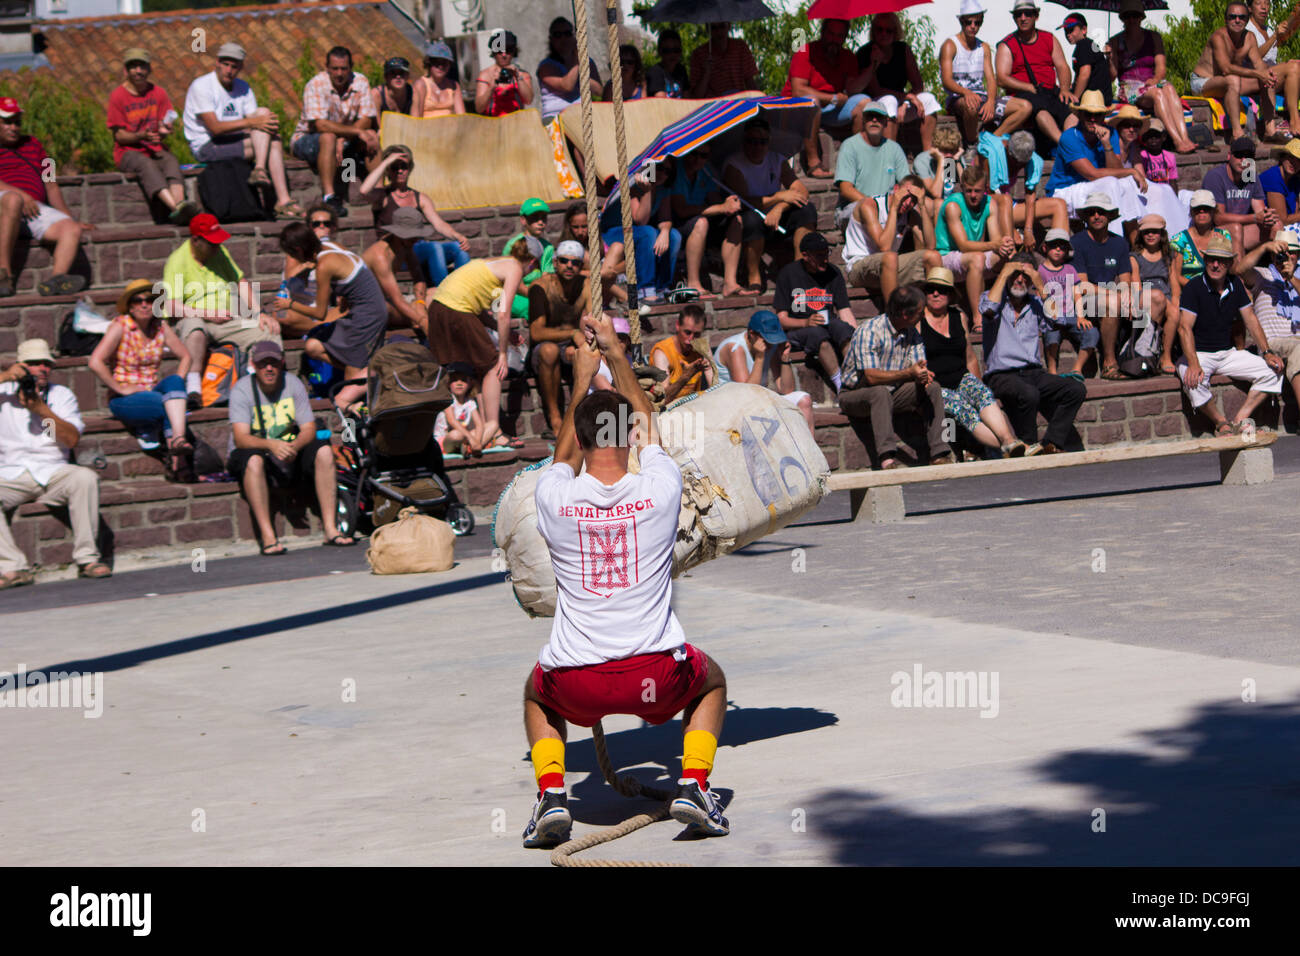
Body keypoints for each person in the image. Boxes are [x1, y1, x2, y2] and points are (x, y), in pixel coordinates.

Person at [522, 311, 731, 849]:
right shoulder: (660, 487)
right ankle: (694, 783)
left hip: (577, 683)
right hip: (656, 673)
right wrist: (615, 355)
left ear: (581, 437)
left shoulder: (554, 496)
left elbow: (563, 453)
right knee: (713, 681)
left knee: (535, 693)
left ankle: (550, 795)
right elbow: (646, 420)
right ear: (629, 436)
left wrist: (579, 380)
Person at [0, 339, 111, 586]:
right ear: (21, 365)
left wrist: (42, 410)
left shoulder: (61, 396)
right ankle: (13, 568)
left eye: (46, 364)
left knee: (85, 478)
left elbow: (69, 440)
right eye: (33, 364)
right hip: (11, 473)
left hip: (53, 471)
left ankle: (88, 559)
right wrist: (6, 376)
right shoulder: (3, 395)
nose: (41, 369)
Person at [227, 340, 353, 554]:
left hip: (288, 449)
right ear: (253, 365)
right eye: (262, 363)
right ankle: (268, 537)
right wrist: (272, 445)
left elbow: (309, 428)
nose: (268, 368)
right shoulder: (242, 389)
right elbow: (240, 438)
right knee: (254, 460)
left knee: (323, 450)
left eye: (273, 363)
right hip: (256, 451)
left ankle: (331, 529)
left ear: (282, 363)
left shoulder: (292, 383)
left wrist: (293, 446)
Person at [426, 240, 538, 450]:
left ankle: (473, 431)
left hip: (438, 309)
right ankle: (493, 429)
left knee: (473, 368)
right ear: (531, 262)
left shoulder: (494, 262)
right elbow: (504, 313)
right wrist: (503, 353)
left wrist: (502, 331)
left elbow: (479, 310)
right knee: (493, 366)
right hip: (456, 310)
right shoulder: (514, 267)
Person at [163, 212, 280, 407]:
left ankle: (261, 385)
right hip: (196, 318)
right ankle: (193, 388)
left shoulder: (219, 252)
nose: (217, 246)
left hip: (227, 319)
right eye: (212, 243)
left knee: (269, 331)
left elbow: (240, 281)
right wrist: (209, 314)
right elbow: (170, 306)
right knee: (195, 329)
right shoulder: (177, 261)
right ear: (196, 240)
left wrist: (260, 313)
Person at [838, 284, 955, 469]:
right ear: (905, 314)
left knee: (933, 388)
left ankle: (939, 452)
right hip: (856, 394)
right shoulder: (869, 331)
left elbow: (917, 365)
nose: (923, 316)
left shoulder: (912, 333)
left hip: (894, 392)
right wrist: (909, 373)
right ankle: (887, 458)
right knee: (879, 392)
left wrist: (923, 375)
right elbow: (871, 378)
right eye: (919, 312)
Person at [1176, 233, 1284, 434]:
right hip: (1199, 353)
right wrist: (1193, 362)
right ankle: (1220, 422)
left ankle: (1240, 419)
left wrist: (1267, 351)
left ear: (1229, 263)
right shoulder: (1194, 287)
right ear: (1205, 261)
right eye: (1211, 260)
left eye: (1222, 261)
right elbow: (1184, 328)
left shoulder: (1235, 284)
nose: (1216, 265)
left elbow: (1250, 318)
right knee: (1192, 381)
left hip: (1227, 353)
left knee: (1274, 369)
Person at [981, 256, 1087, 453]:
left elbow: (1059, 320)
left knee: (1076, 389)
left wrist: (1040, 283)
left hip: (1033, 373)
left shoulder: (1037, 303)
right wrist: (1004, 272)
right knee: (1029, 393)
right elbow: (987, 308)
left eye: (1026, 277)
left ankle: (1051, 442)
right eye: (1016, 275)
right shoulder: (993, 297)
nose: (1021, 280)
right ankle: (1028, 443)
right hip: (1001, 375)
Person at [279, 221, 388, 412]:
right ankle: (363, 372)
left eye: (292, 254)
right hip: (359, 312)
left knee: (349, 392)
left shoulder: (324, 266)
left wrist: (289, 304)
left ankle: (356, 425)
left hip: (367, 318)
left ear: (298, 249)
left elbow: (320, 314)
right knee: (313, 346)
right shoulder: (328, 246)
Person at [182, 42, 299, 219]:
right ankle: (281, 199)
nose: (229, 70)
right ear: (217, 63)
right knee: (271, 140)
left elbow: (257, 122)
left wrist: (264, 121)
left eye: (234, 66)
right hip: (207, 146)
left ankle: (269, 182)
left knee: (268, 125)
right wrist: (253, 122)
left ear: (240, 68)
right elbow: (215, 128)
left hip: (234, 140)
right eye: (225, 64)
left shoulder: (243, 87)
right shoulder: (202, 86)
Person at [88, 279, 192, 476]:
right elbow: (95, 361)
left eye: (150, 299)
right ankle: (179, 461)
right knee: (170, 403)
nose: (145, 304)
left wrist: (177, 388)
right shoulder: (121, 326)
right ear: (130, 307)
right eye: (138, 300)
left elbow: (186, 356)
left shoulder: (160, 326)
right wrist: (119, 388)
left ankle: (177, 441)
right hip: (125, 399)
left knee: (175, 385)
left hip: (151, 390)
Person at [919, 266, 1025, 457]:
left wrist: (977, 385)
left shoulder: (958, 316)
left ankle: (1010, 442)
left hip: (961, 378)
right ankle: (1014, 448)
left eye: (942, 289)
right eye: (931, 289)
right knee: (963, 408)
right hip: (934, 385)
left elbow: (969, 357)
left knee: (983, 395)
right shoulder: (918, 321)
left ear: (950, 294)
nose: (936, 293)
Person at [0, 97, 91, 298]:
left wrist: (68, 217)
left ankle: (57, 278)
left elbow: (51, 183)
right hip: (6, 204)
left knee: (71, 228)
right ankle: (3, 274)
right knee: (13, 200)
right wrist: (21, 195)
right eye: (7, 122)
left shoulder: (34, 144)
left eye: (17, 122)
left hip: (33, 209)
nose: (14, 127)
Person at [723, 116, 817, 293]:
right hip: (750, 215)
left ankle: (800, 273)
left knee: (806, 210)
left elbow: (801, 192)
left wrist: (780, 208)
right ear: (744, 142)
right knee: (750, 218)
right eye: (752, 141)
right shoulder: (734, 164)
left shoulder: (777, 159)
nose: (757, 146)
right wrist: (779, 197)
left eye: (762, 142)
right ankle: (753, 276)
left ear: (769, 142)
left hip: (774, 215)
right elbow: (743, 201)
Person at [359, 144, 470, 289]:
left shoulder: (420, 197)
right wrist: (385, 162)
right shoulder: (383, 196)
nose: (400, 171)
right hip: (394, 253)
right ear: (388, 170)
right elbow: (363, 191)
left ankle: (465, 291)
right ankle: (445, 294)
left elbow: (439, 224)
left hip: (417, 249)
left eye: (403, 166)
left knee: (458, 248)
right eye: (394, 167)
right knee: (434, 247)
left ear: (409, 168)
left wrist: (457, 235)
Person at [108, 47, 198, 225]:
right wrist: (142, 136)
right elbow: (119, 136)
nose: (138, 71)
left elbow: (164, 125)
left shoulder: (158, 93)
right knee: (145, 164)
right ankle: (175, 208)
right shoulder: (118, 96)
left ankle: (180, 205)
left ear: (149, 69)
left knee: (170, 160)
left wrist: (164, 131)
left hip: (154, 148)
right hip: (127, 152)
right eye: (134, 67)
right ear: (126, 70)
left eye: (142, 67)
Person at [291, 46, 379, 218]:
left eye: (344, 68)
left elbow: (367, 119)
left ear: (351, 68)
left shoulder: (360, 82)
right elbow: (320, 125)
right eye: (335, 68)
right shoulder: (315, 85)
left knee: (371, 135)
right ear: (327, 68)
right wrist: (348, 135)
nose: (339, 73)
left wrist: (344, 139)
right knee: (329, 137)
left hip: (344, 139)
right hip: (307, 139)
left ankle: (381, 192)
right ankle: (330, 197)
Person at [783, 18, 872, 178]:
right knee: (812, 101)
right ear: (822, 33)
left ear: (845, 38)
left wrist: (875, 64)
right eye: (831, 34)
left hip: (830, 109)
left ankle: (856, 162)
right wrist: (833, 98)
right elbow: (798, 90)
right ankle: (813, 163)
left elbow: (852, 88)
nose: (834, 39)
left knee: (865, 103)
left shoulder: (847, 56)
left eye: (839, 36)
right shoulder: (805, 51)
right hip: (799, 109)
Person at [774, 231, 861, 396]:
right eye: (820, 256)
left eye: (827, 254)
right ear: (806, 256)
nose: (825, 260)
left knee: (843, 329)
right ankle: (840, 385)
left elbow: (844, 310)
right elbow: (781, 319)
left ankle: (854, 376)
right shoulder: (789, 274)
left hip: (827, 323)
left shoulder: (833, 272)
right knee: (817, 334)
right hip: (798, 330)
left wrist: (856, 336)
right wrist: (805, 322)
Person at [1107, 0, 1198, 154]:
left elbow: (1161, 68)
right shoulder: (1116, 41)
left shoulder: (1153, 37)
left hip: (1151, 82)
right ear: (1122, 18)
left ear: (1141, 17)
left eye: (1135, 15)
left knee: (1168, 87)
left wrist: (1155, 81)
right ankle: (1176, 140)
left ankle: (1185, 137)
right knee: (1158, 93)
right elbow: (1112, 75)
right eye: (1128, 16)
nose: (1132, 20)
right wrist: (1110, 57)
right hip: (1130, 87)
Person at [1044, 90, 1144, 231]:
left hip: (1093, 187)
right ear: (1080, 115)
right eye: (1088, 114)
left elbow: (1116, 170)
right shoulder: (1069, 137)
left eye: (1097, 115)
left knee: (1126, 184)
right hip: (1064, 191)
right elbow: (1092, 174)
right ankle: (1111, 243)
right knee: (1111, 183)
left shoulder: (1110, 133)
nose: (1092, 119)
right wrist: (1132, 171)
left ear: (1103, 116)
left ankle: (1136, 246)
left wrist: (1107, 145)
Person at [1190, 2, 1283, 145]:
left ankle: (1270, 130)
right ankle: (1237, 134)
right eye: (1232, 17)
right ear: (1225, 19)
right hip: (1203, 82)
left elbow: (1259, 64)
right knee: (1233, 79)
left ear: (1247, 19)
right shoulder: (1219, 37)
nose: (1237, 20)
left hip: (1228, 82)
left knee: (1266, 76)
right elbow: (1226, 69)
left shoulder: (1249, 37)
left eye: (1241, 17)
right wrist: (1259, 74)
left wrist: (1266, 74)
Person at [941, 0, 1031, 144]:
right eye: (969, 22)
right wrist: (966, 92)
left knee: (1025, 107)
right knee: (971, 105)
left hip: (981, 97)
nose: (973, 26)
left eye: (978, 23)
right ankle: (972, 144)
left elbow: (991, 78)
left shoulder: (983, 47)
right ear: (961, 21)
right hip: (959, 98)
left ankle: (991, 139)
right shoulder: (950, 45)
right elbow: (946, 80)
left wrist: (990, 100)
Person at [936, 165, 1015, 328]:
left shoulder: (990, 203)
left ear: (985, 189)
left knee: (1007, 256)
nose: (973, 195)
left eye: (977, 191)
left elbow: (995, 239)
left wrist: (1004, 246)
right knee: (977, 259)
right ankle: (978, 319)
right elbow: (964, 246)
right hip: (947, 256)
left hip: (974, 254)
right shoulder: (953, 206)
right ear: (962, 188)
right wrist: (995, 244)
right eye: (969, 190)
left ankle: (1010, 311)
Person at [842, 176, 940, 307]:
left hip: (889, 265)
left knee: (933, 257)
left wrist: (922, 206)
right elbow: (885, 246)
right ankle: (894, 315)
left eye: (914, 200)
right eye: (907, 196)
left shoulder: (909, 212)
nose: (909, 203)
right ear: (896, 189)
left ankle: (933, 313)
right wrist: (894, 207)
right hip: (858, 266)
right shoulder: (870, 205)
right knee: (890, 257)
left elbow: (931, 245)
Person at [1166, 190, 1233, 373]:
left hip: (1218, 286)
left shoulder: (1223, 236)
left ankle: (1237, 350)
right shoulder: (1180, 239)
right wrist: (1177, 295)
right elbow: (1175, 272)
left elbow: (1230, 267)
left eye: (1206, 210)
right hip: (1190, 289)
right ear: (1191, 212)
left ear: (1213, 212)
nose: (1202, 213)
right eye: (1197, 210)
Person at [715, 310, 815, 431]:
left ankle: (807, 449)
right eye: (767, 339)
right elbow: (746, 394)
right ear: (751, 334)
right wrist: (760, 357)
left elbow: (786, 389)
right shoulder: (735, 348)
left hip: (759, 400)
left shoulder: (770, 345)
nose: (770, 343)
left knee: (804, 400)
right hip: (733, 406)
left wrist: (784, 358)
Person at [529, 239, 590, 438]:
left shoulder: (586, 285)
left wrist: (580, 343)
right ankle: (555, 418)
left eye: (575, 262)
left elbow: (591, 319)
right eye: (564, 261)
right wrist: (573, 334)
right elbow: (536, 332)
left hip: (572, 345)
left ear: (581, 266)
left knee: (587, 353)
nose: (569, 266)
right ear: (555, 263)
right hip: (546, 346)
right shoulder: (541, 287)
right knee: (549, 351)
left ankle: (584, 417)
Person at [1071, 193, 1134, 380]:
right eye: (1092, 213)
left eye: (1101, 212)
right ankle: (1109, 363)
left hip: (1110, 295)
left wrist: (1128, 297)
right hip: (1083, 300)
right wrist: (1115, 295)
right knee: (1112, 302)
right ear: (1086, 217)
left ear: (1109, 216)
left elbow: (1125, 279)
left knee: (1156, 300)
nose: (1096, 216)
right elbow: (1082, 285)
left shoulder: (1119, 243)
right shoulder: (1077, 242)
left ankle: (1147, 358)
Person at [995, 0, 1078, 144]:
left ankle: (1071, 143)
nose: (1023, 18)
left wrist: (1064, 89)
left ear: (1036, 16)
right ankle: (1064, 145)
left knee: (1069, 108)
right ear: (1014, 18)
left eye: (1028, 13)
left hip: (1049, 91)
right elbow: (1002, 79)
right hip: (1023, 94)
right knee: (1039, 109)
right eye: (1018, 14)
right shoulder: (1007, 44)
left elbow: (1062, 67)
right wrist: (1027, 87)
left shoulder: (1049, 38)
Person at [857, 12, 942, 151]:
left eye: (888, 30)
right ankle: (890, 158)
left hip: (900, 102)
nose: (884, 34)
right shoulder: (865, 52)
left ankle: (928, 155)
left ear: (895, 32)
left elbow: (918, 84)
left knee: (929, 99)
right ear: (873, 31)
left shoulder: (903, 50)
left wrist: (906, 103)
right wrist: (874, 63)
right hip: (876, 104)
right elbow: (875, 90)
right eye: (879, 29)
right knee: (890, 101)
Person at [667, 146, 744, 297]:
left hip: (700, 221)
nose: (697, 159)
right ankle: (693, 284)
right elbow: (681, 209)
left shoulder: (706, 170)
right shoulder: (676, 169)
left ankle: (730, 282)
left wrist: (728, 206)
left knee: (736, 220)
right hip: (675, 223)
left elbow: (714, 201)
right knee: (701, 222)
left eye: (703, 155)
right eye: (693, 153)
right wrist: (721, 207)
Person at [1236, 232, 1300, 409]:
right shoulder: (1262, 275)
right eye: (1281, 252)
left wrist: (1291, 277)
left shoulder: (1298, 278)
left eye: (1292, 252)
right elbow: (1239, 269)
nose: (1286, 256)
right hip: (1272, 343)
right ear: (1273, 255)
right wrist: (1264, 247)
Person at [1106, 105, 1189, 236]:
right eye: (1127, 125)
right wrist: (1133, 173)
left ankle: (1176, 234)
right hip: (1115, 186)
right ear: (1119, 127)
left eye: (1136, 126)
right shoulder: (1113, 143)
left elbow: (1142, 176)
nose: (1132, 129)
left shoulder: (1133, 146)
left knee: (1164, 189)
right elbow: (1116, 171)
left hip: (1130, 185)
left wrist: (1144, 182)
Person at [833, 100, 910, 224]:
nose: (874, 120)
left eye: (879, 117)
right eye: (870, 116)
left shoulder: (894, 148)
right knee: (869, 211)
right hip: (856, 207)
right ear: (863, 120)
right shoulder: (850, 146)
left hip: (887, 207)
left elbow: (908, 183)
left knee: (923, 207)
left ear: (886, 122)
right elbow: (846, 189)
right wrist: (876, 205)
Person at [361, 207, 436, 331]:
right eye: (412, 236)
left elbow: (418, 277)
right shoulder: (381, 255)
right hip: (373, 307)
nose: (416, 239)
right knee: (382, 309)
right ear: (398, 233)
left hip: (393, 301)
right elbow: (397, 299)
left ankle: (415, 315)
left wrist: (420, 305)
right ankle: (415, 318)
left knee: (438, 293)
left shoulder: (405, 244)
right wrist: (422, 320)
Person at [1038, 227, 1097, 378]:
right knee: (1051, 335)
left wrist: (1081, 316)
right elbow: (1041, 296)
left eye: (1062, 247)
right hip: (1052, 315)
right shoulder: (1040, 271)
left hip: (1071, 314)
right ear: (1045, 247)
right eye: (1053, 245)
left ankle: (1077, 368)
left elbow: (1077, 293)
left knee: (1092, 333)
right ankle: (1052, 370)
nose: (1058, 249)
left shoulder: (1070, 269)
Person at [1205, 136, 1275, 258]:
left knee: (1276, 226)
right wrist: (1254, 218)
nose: (1243, 161)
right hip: (1214, 233)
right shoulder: (1215, 177)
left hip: (1241, 230)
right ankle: (1239, 275)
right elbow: (1218, 218)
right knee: (1236, 229)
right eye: (1239, 155)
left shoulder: (1251, 176)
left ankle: (1277, 272)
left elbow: (1260, 211)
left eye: (1248, 156)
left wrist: (1267, 217)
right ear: (1229, 156)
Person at [1246, 0, 1300, 140]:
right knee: (1293, 68)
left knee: (1295, 65)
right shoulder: (1247, 29)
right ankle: (1295, 120)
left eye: (1267, 4)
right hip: (1253, 78)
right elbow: (1255, 58)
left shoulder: (1268, 29)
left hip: (1272, 75)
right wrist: (1274, 36)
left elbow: (1285, 34)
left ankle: (1289, 121)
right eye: (1259, 3)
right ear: (1250, 8)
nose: (1264, 8)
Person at [1131, 214, 1177, 376]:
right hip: (1147, 297)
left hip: (1166, 297)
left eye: (1155, 232)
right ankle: (1151, 347)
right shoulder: (1135, 257)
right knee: (1157, 296)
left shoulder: (1169, 255)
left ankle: (1166, 356)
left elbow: (1173, 283)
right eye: (1146, 232)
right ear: (1141, 235)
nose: (1151, 235)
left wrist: (1175, 302)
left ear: (1162, 234)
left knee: (1175, 313)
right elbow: (1136, 286)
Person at [650, 305, 715, 403]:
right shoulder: (662, 352)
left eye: (696, 335)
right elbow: (663, 399)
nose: (690, 340)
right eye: (687, 332)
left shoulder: (702, 349)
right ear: (677, 326)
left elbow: (714, 388)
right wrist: (686, 376)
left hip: (695, 407)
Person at [537, 19, 596, 122]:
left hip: (582, 117)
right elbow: (567, 86)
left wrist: (582, 71)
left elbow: (598, 91)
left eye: (567, 34)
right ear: (551, 39)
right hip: (555, 119)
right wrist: (577, 62)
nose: (563, 39)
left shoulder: (587, 62)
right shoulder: (546, 66)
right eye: (558, 35)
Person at [690, 21, 760, 98]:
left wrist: (759, 100)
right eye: (713, 28)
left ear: (729, 26)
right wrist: (706, 73)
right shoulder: (699, 54)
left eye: (722, 26)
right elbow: (696, 96)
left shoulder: (740, 47)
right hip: (714, 105)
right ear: (708, 30)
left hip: (740, 101)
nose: (718, 31)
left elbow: (750, 81)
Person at [1061, 12, 1112, 108]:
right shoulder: (1090, 45)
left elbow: (1085, 74)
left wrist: (1074, 99)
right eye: (1066, 31)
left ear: (1084, 30)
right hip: (1102, 97)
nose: (1068, 34)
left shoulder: (1083, 45)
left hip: (1095, 101)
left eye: (1071, 30)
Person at [433, 361, 484, 455]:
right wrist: (471, 439)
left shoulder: (470, 402)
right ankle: (466, 447)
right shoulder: (448, 399)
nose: (459, 383)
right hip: (445, 441)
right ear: (448, 383)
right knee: (456, 435)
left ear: (470, 384)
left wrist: (476, 441)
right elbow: (451, 420)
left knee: (491, 425)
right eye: (454, 380)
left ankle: (470, 447)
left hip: (465, 437)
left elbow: (479, 424)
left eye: (464, 380)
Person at [413, 41, 465, 118]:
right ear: (428, 63)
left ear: (449, 65)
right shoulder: (421, 85)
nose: (440, 66)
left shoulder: (454, 86)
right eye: (436, 62)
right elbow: (417, 118)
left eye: (444, 63)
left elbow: (462, 117)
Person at [1263, 138, 1300, 228]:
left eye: (1298, 160)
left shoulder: (1294, 179)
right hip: (1269, 227)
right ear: (1283, 157)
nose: (1294, 163)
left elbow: (1295, 213)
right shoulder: (1272, 178)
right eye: (1291, 157)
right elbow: (1282, 220)